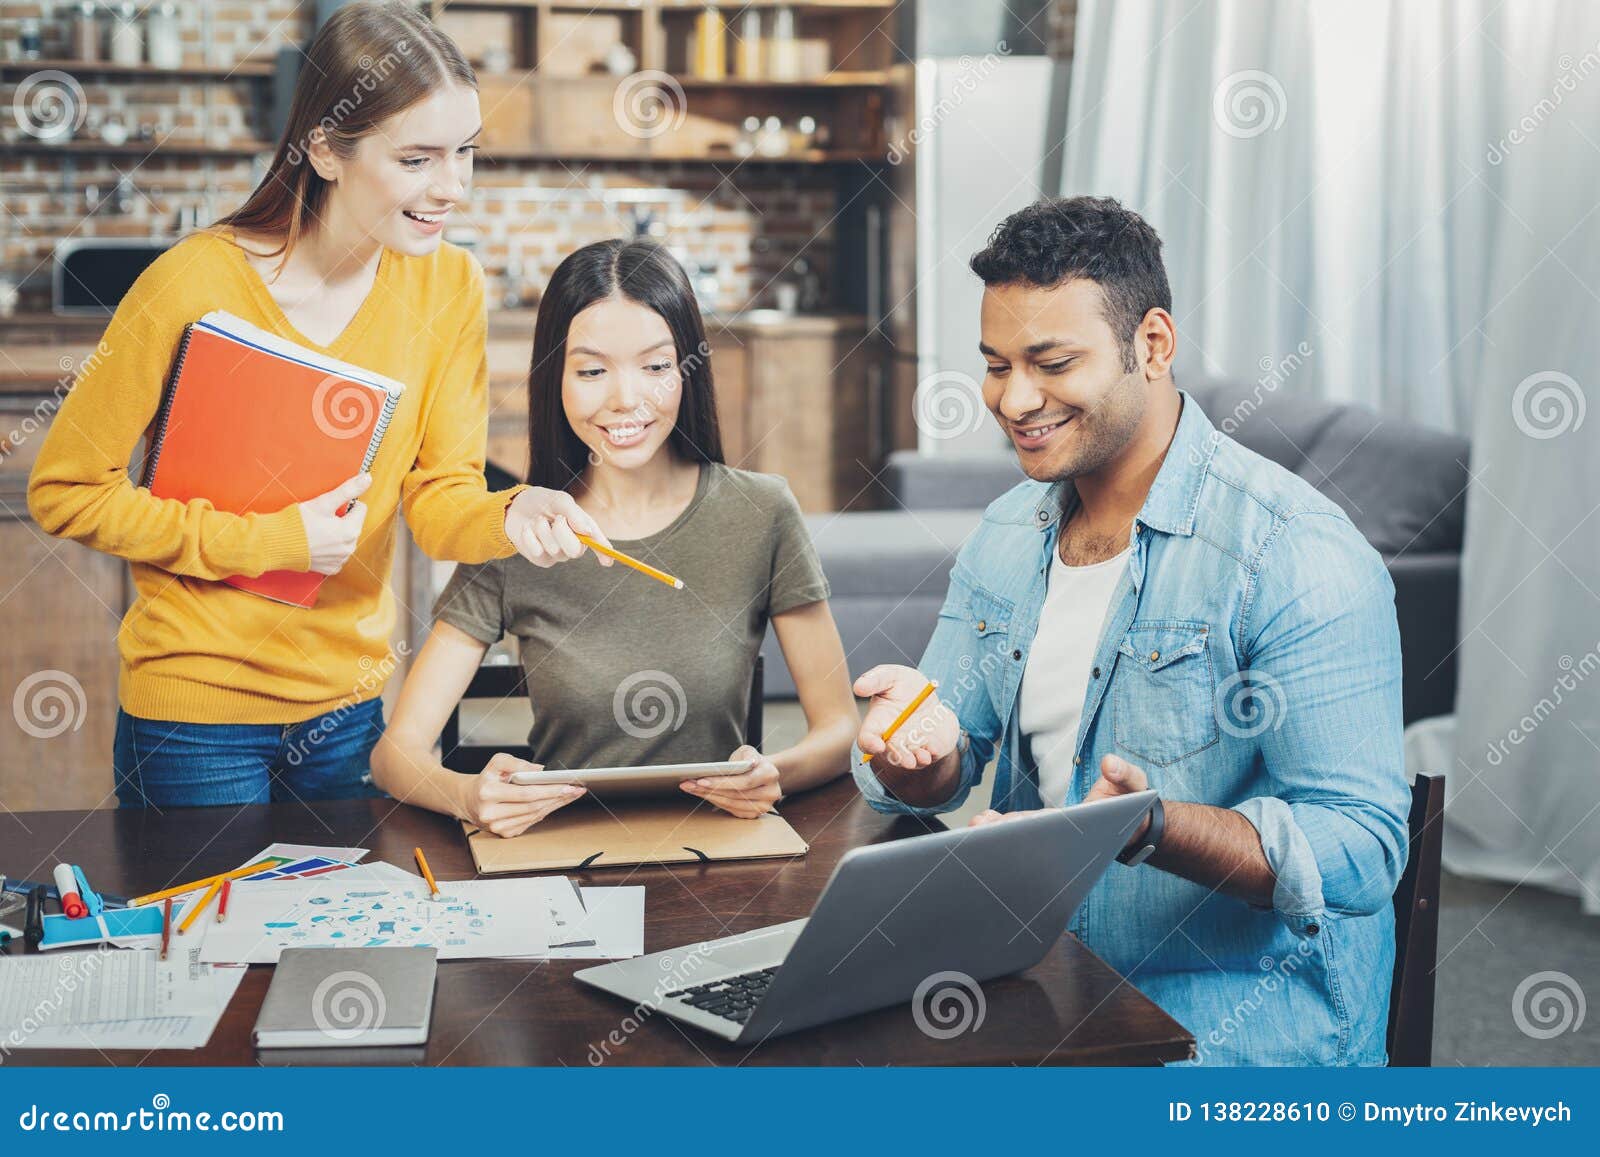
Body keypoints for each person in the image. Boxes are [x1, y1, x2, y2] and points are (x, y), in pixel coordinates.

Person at [851, 196, 1411, 1066]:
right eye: (996, 365)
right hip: (1038, 984)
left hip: (1230, 1032)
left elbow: (1364, 848)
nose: (1015, 398)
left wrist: (1154, 827)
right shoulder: (1006, 532)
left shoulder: (1294, 552)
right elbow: (940, 757)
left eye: (1052, 362)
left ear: (1152, 344)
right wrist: (907, 753)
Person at [26, 2, 613, 808]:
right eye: (417, 159)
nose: (453, 187)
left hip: (347, 711)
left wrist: (516, 511)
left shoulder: (449, 286)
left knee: (344, 935)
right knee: (210, 938)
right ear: (327, 149)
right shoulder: (192, 284)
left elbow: (441, 501)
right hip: (194, 718)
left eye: (466, 152)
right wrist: (275, 540)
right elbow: (63, 491)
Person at [371, 240, 859, 834]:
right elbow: (396, 755)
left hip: (721, 855)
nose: (626, 399)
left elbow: (838, 732)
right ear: (556, 378)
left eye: (656, 367)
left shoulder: (762, 512)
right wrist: (469, 796)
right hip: (564, 860)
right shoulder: (522, 529)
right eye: (593, 371)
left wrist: (774, 774)